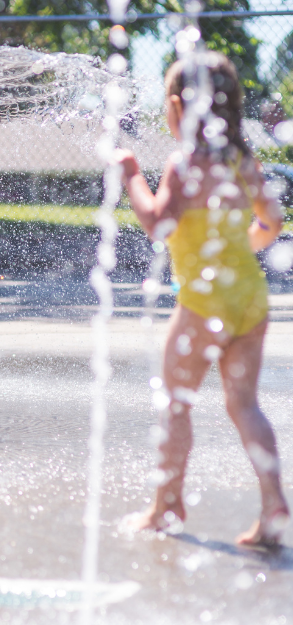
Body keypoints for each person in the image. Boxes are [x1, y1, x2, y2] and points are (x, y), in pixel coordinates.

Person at [115, 52, 290, 546]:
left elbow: (157, 224)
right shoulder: (243, 161)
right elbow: (272, 224)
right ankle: (274, 504)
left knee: (176, 404)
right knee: (245, 404)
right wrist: (243, 249)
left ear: (176, 106)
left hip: (202, 302)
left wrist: (130, 171)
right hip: (250, 298)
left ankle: (166, 509)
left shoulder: (183, 163)